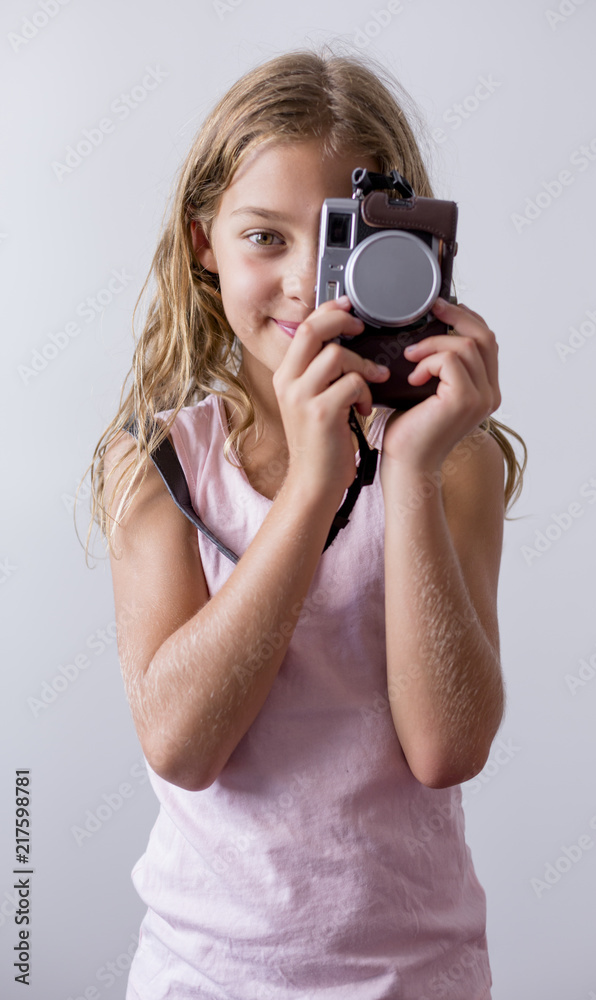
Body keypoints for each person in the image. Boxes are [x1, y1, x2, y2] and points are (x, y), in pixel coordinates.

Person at [82, 45, 526, 1000]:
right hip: (205, 976)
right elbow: (182, 746)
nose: (300, 283)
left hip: (416, 975)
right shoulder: (161, 466)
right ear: (203, 243)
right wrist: (313, 486)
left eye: (333, 243)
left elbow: (447, 749)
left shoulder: (453, 461)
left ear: (403, 251)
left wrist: (406, 471)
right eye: (263, 237)